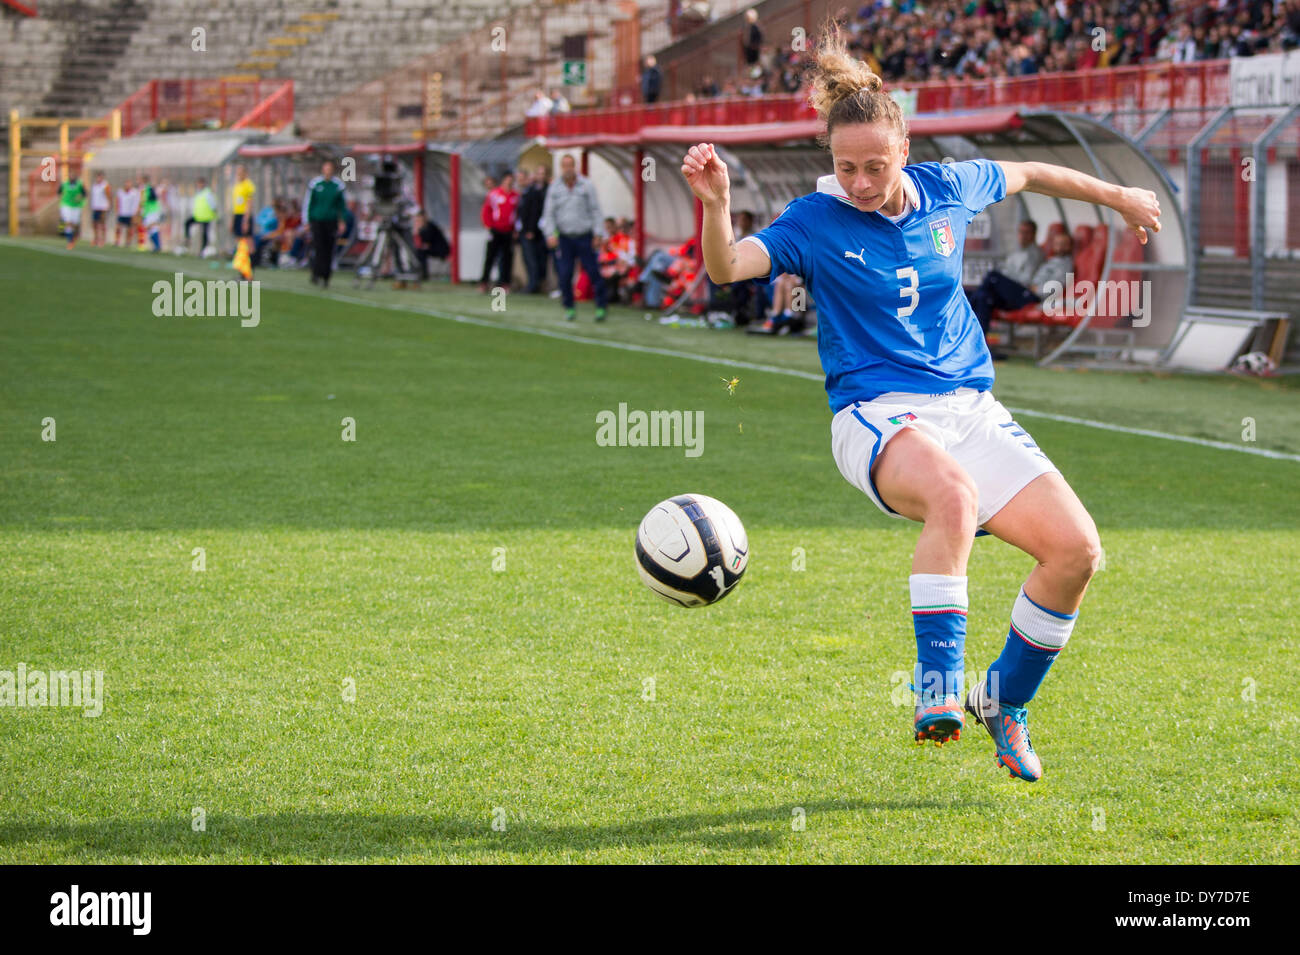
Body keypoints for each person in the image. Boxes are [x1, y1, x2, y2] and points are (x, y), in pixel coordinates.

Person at [681, 24, 1161, 783]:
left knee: (1076, 552)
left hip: (968, 407)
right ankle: (934, 686)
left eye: (875, 165)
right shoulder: (815, 219)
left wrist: (1118, 194)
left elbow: (1033, 171)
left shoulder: (950, 187)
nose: (862, 182)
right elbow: (728, 266)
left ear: (905, 150)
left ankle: (1002, 700)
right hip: (875, 411)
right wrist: (716, 207)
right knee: (953, 496)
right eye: (846, 168)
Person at [539, 153, 609, 322]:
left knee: (593, 272)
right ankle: (569, 307)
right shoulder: (555, 188)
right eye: (565, 165)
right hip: (565, 238)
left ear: (575, 166)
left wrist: (598, 233)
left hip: (585, 236)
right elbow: (549, 214)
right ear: (561, 168)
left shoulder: (586, 185)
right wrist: (550, 234)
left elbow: (595, 210)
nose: (568, 168)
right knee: (564, 274)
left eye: (570, 165)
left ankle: (601, 306)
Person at [966, 230, 1073, 336]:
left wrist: (1036, 289)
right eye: (1057, 244)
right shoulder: (1050, 260)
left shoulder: (1065, 265)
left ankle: (968, 309)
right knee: (983, 297)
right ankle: (978, 343)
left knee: (993, 277)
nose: (1059, 247)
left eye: (1063, 244)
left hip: (1032, 297)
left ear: (1069, 247)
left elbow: (1057, 286)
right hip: (1024, 293)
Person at [302, 160, 348, 288]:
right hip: (317, 220)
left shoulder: (338, 185)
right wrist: (306, 221)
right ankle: (316, 273)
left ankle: (326, 276)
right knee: (318, 247)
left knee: (329, 248)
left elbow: (342, 206)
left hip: (331, 221)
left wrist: (342, 221)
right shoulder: (315, 184)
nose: (328, 171)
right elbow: (308, 203)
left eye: (330, 168)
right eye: (326, 168)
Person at [479, 171, 519, 291]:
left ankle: (504, 283)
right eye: (507, 179)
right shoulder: (494, 194)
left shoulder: (516, 196)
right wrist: (488, 225)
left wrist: (516, 229)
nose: (509, 182)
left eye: (511, 180)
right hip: (495, 230)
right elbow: (486, 210)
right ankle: (484, 282)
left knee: (507, 258)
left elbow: (518, 214)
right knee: (490, 257)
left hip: (508, 231)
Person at [518, 163, 551, 293]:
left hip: (533, 231)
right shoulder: (528, 191)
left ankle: (534, 285)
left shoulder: (536, 192)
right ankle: (533, 283)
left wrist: (530, 229)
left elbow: (534, 212)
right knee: (529, 259)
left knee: (534, 259)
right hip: (526, 230)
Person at [184, 177, 219, 256]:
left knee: (205, 234)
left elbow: (213, 205)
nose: (200, 185)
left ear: (204, 184)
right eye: (199, 183)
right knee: (187, 223)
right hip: (198, 216)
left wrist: (216, 214)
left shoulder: (207, 193)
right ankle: (187, 239)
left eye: (201, 183)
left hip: (206, 217)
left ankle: (203, 251)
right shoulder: (198, 193)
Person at [230, 164, 256, 252]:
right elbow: (235, 204)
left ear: (246, 173)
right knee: (238, 239)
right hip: (237, 214)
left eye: (241, 173)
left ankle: (252, 261)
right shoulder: (237, 185)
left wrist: (246, 220)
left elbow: (249, 203)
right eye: (238, 173)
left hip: (245, 215)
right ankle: (241, 261)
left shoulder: (248, 185)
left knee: (248, 239)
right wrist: (232, 220)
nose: (239, 175)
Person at [58, 172, 87, 250]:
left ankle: (72, 237)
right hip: (66, 205)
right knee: (68, 222)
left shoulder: (80, 184)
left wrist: (80, 198)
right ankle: (69, 241)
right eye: (71, 176)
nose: (72, 177)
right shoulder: (64, 184)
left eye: (73, 176)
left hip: (76, 206)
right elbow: (59, 192)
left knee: (74, 224)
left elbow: (85, 194)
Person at [89, 172, 111, 247]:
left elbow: (108, 195)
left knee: (102, 224)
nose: (98, 179)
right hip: (95, 207)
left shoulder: (105, 185)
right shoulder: (94, 185)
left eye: (100, 177)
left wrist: (108, 206)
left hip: (103, 207)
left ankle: (103, 239)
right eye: (97, 177)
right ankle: (96, 238)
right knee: (94, 224)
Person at [114, 178, 138, 247]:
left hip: (130, 213)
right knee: (118, 227)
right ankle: (117, 241)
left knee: (129, 229)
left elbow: (136, 203)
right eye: (126, 183)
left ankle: (128, 242)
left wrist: (135, 213)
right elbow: (117, 201)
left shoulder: (134, 192)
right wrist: (117, 210)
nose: (127, 185)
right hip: (122, 212)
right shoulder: (120, 192)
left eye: (129, 184)